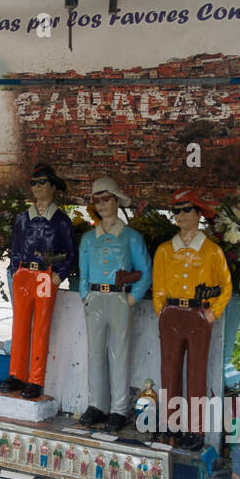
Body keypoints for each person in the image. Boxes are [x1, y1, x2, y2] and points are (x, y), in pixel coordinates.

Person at [151, 188, 232, 450]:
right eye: (177, 210)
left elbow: (225, 285)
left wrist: (212, 312)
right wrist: (161, 311)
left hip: (198, 315)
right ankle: (170, 422)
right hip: (172, 314)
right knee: (169, 370)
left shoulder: (211, 251)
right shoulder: (165, 250)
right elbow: (159, 285)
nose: (181, 215)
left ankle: (195, 428)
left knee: (197, 372)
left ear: (199, 214)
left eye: (187, 210)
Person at [78, 177, 151, 430]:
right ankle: (97, 404)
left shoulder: (130, 236)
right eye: (97, 201)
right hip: (96, 298)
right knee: (94, 352)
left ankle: (119, 409)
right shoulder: (89, 238)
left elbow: (144, 270)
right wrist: (85, 295)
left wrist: (131, 298)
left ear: (117, 201)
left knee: (119, 353)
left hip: (119, 298)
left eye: (106, 199)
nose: (102, 205)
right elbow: (83, 271)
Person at [3, 163, 76, 399]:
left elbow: (69, 254)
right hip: (24, 275)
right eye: (33, 183)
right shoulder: (23, 219)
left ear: (53, 186)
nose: (36, 187)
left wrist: (57, 274)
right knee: (20, 325)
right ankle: (16, 374)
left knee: (41, 328)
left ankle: (35, 379)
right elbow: (15, 248)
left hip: (45, 276)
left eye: (41, 182)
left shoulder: (61, 221)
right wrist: (16, 270)